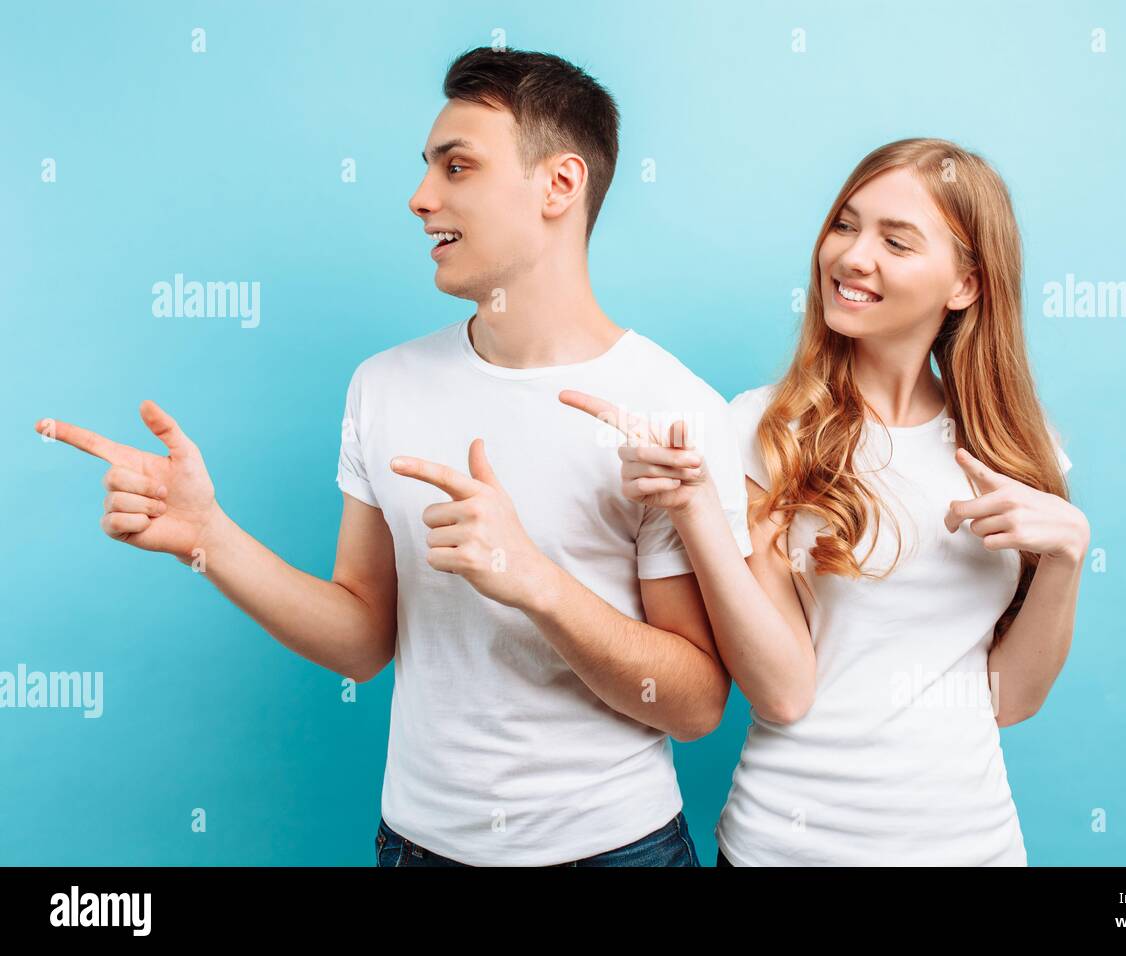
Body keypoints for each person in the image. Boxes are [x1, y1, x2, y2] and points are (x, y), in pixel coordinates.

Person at [34, 47, 752, 868]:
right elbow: (362, 639)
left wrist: (538, 584)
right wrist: (208, 537)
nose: (421, 199)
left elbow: (694, 704)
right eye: (426, 169)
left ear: (560, 184)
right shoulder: (385, 386)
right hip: (415, 848)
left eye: (458, 167)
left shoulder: (671, 408)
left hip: (615, 851)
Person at [562, 138, 1089, 866]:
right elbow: (781, 693)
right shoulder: (759, 429)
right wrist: (695, 511)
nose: (850, 257)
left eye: (895, 241)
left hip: (976, 848)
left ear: (965, 283)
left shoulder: (1021, 452)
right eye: (846, 224)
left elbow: (1011, 700)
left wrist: (1066, 561)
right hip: (786, 847)